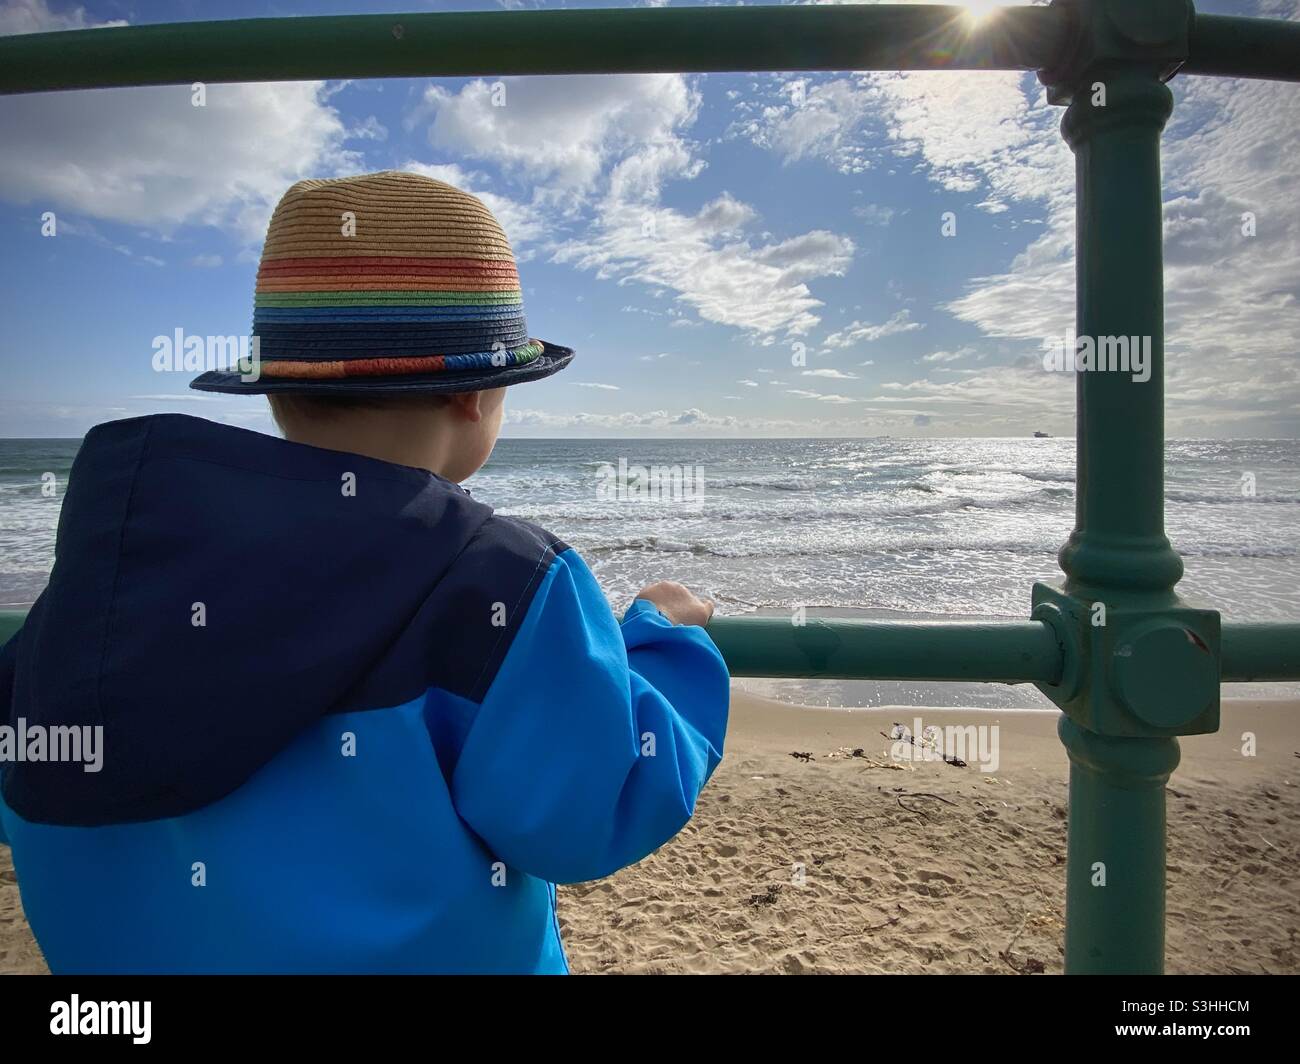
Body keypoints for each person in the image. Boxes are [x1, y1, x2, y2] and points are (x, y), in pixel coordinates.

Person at [0, 171, 729, 973]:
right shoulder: (498, 584)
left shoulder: (103, 582)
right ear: (475, 395)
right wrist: (663, 639)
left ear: (277, 393)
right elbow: (596, 806)